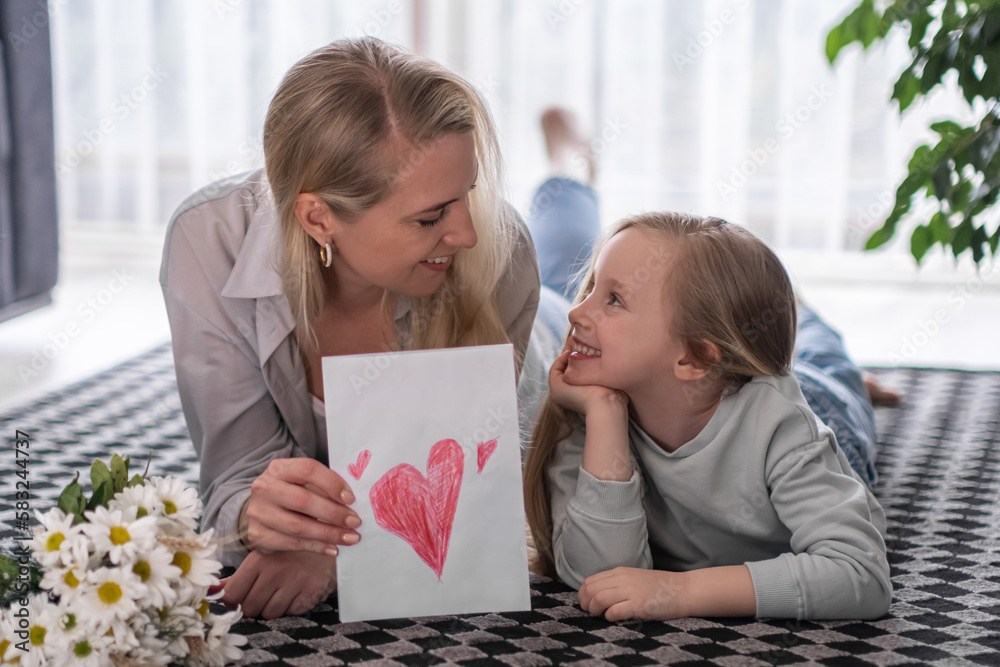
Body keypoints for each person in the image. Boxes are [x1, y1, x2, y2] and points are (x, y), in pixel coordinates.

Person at [160, 37, 543, 619]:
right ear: (319, 218)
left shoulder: (500, 250)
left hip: (554, 336)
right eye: (429, 217)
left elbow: (469, 501)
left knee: (573, 229)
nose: (466, 233)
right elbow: (234, 479)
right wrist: (263, 518)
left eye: (467, 192)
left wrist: (331, 551)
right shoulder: (206, 241)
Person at [523, 210, 892, 621]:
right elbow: (602, 580)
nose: (575, 312)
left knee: (823, 356)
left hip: (824, 408)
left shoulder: (780, 426)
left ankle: (803, 312)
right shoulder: (592, 408)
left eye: (614, 300)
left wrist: (681, 592)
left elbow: (862, 576)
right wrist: (605, 418)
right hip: (732, 375)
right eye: (592, 287)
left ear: (694, 358)